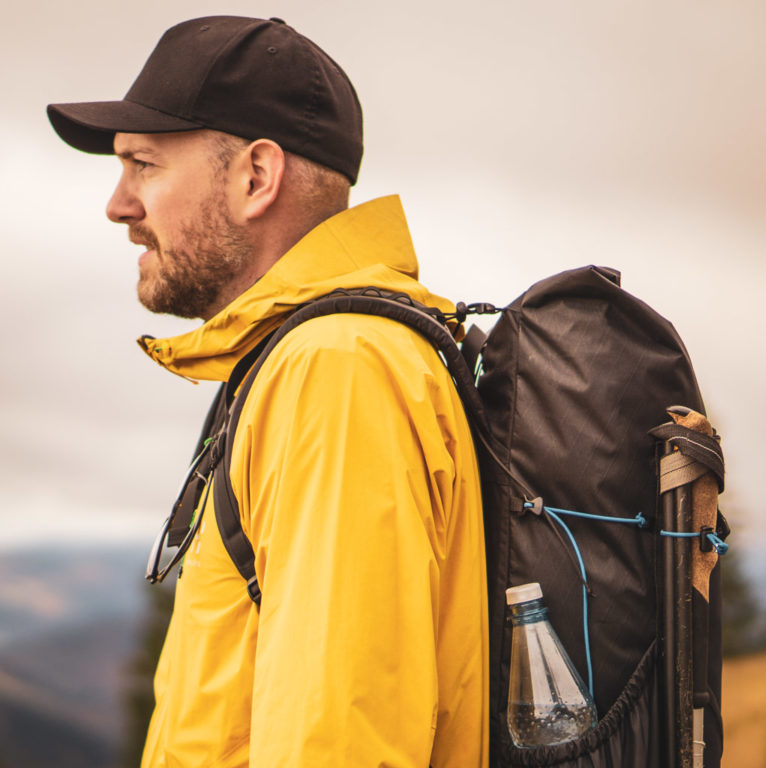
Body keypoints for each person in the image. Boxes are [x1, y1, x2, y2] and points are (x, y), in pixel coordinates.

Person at [48, 16, 488, 768]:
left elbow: (341, 744)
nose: (119, 205)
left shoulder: (337, 369)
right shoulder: (304, 358)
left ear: (256, 177)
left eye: (143, 165)